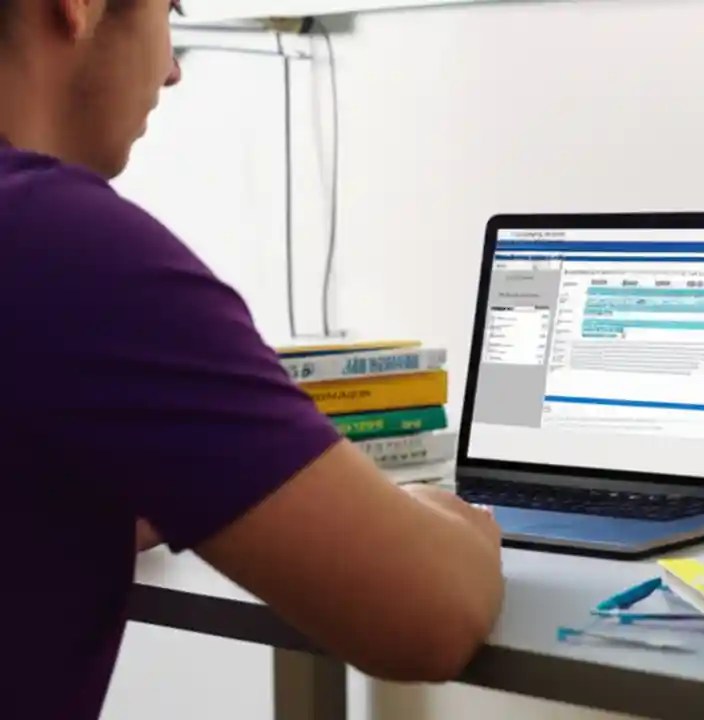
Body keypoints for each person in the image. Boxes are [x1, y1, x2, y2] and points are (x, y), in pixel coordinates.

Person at [0, 0, 505, 716]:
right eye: (169, 8)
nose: (173, 69)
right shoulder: (62, 245)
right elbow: (433, 617)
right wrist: (445, 519)